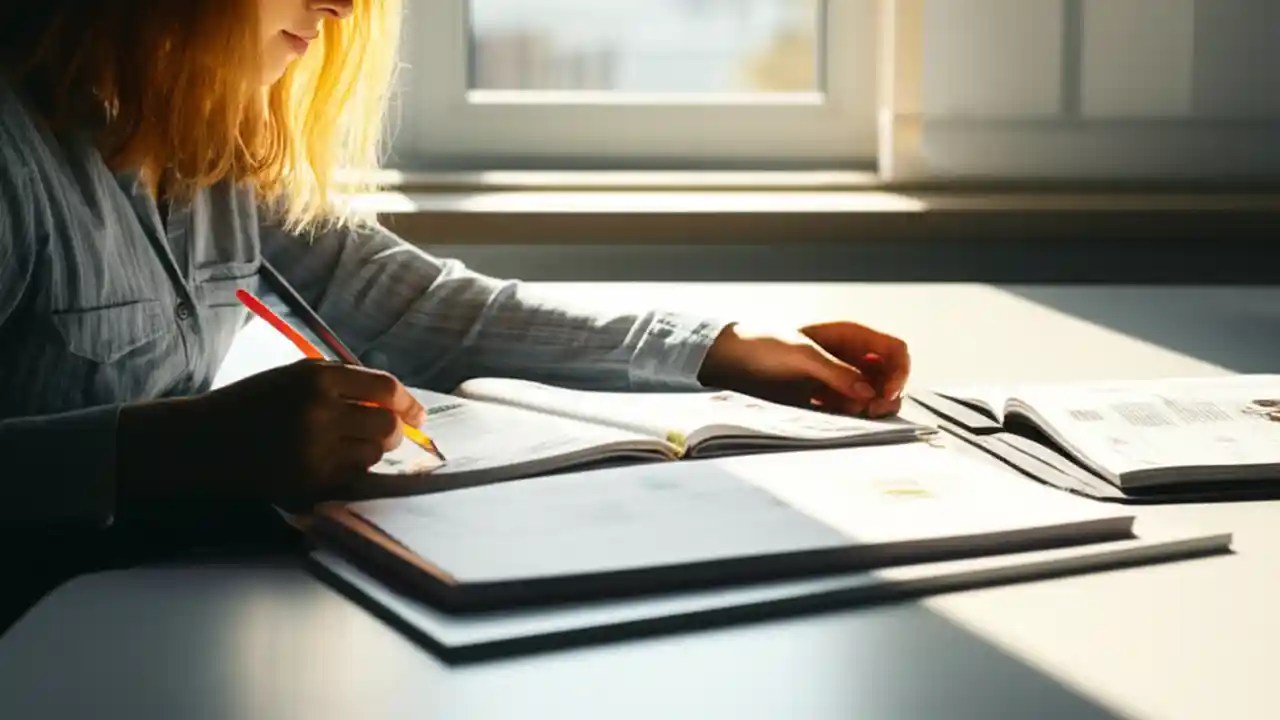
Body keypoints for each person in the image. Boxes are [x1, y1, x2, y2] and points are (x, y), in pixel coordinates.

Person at [0, 1, 909, 556]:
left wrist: (718, 351)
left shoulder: (204, 147)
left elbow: (422, 309)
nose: (340, 7)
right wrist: (168, 450)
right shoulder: (14, 152)